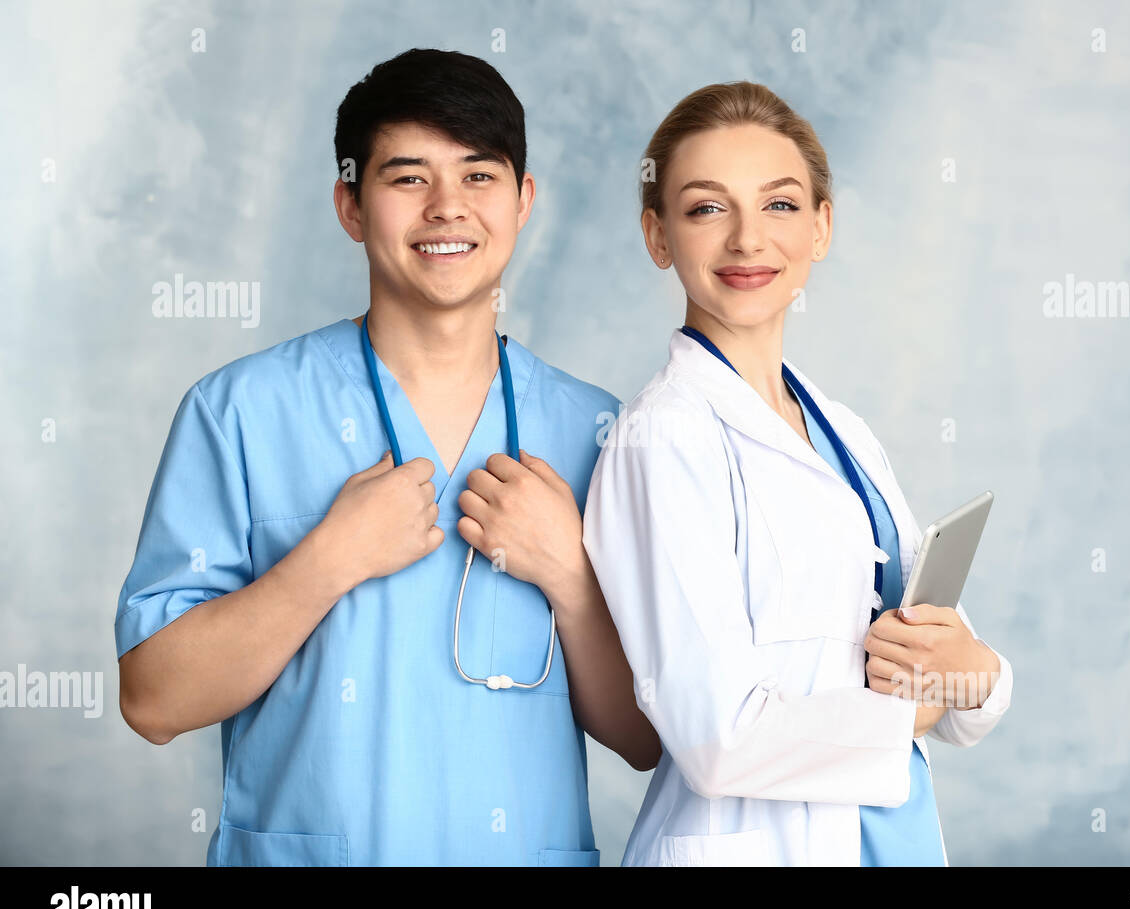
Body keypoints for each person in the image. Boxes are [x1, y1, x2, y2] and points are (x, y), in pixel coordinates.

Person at [114, 48, 659, 866]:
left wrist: (572, 583)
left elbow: (646, 736)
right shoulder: (239, 414)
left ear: (523, 201)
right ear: (351, 205)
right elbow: (153, 699)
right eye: (408, 178)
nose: (447, 208)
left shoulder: (601, 432)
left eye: (479, 177)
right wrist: (324, 563)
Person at [582, 81, 1013, 866]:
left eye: (780, 205)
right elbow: (719, 740)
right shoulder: (661, 440)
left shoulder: (843, 431)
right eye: (708, 208)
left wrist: (977, 673)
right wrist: (913, 707)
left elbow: (930, 655)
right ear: (658, 236)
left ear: (821, 226)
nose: (749, 240)